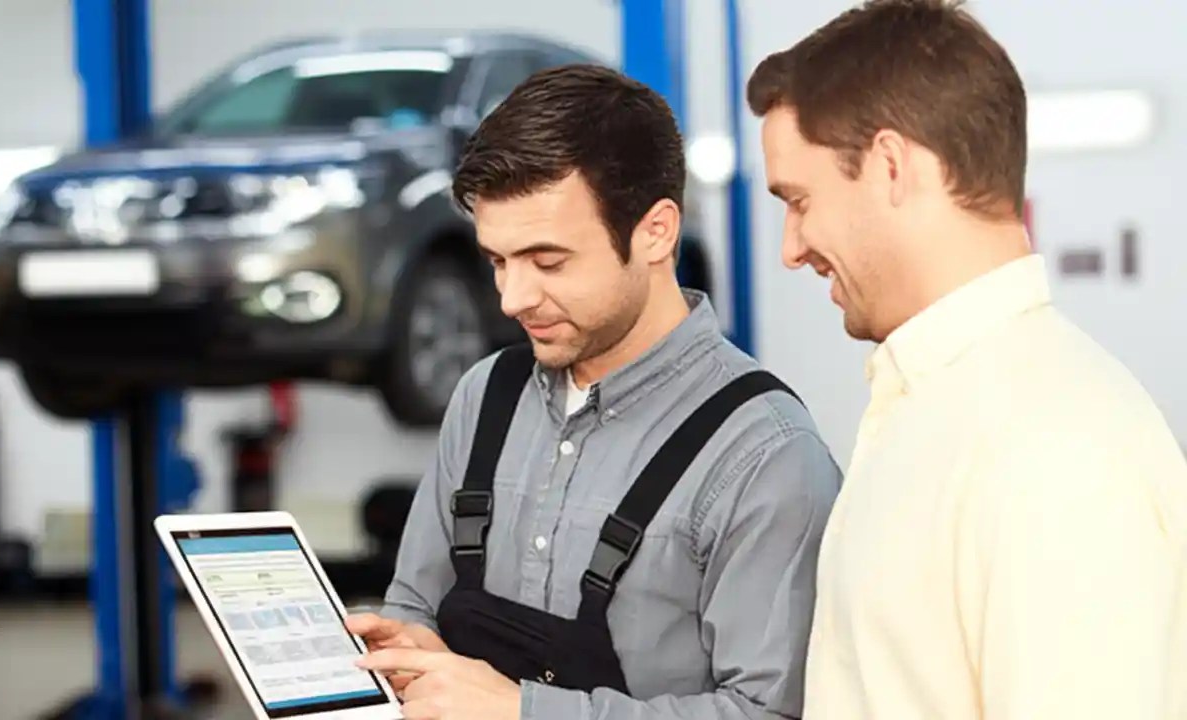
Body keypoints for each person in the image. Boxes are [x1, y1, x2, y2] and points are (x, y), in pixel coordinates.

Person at [346, 63, 842, 720]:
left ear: (655, 232)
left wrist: (524, 712)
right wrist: (410, 649)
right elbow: (415, 602)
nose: (513, 298)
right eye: (498, 260)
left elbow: (769, 714)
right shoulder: (484, 399)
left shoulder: (764, 458)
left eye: (549, 262)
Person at [747, 1, 1187, 718]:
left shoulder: (1053, 446)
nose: (790, 248)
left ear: (890, 166)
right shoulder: (938, 407)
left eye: (799, 200)